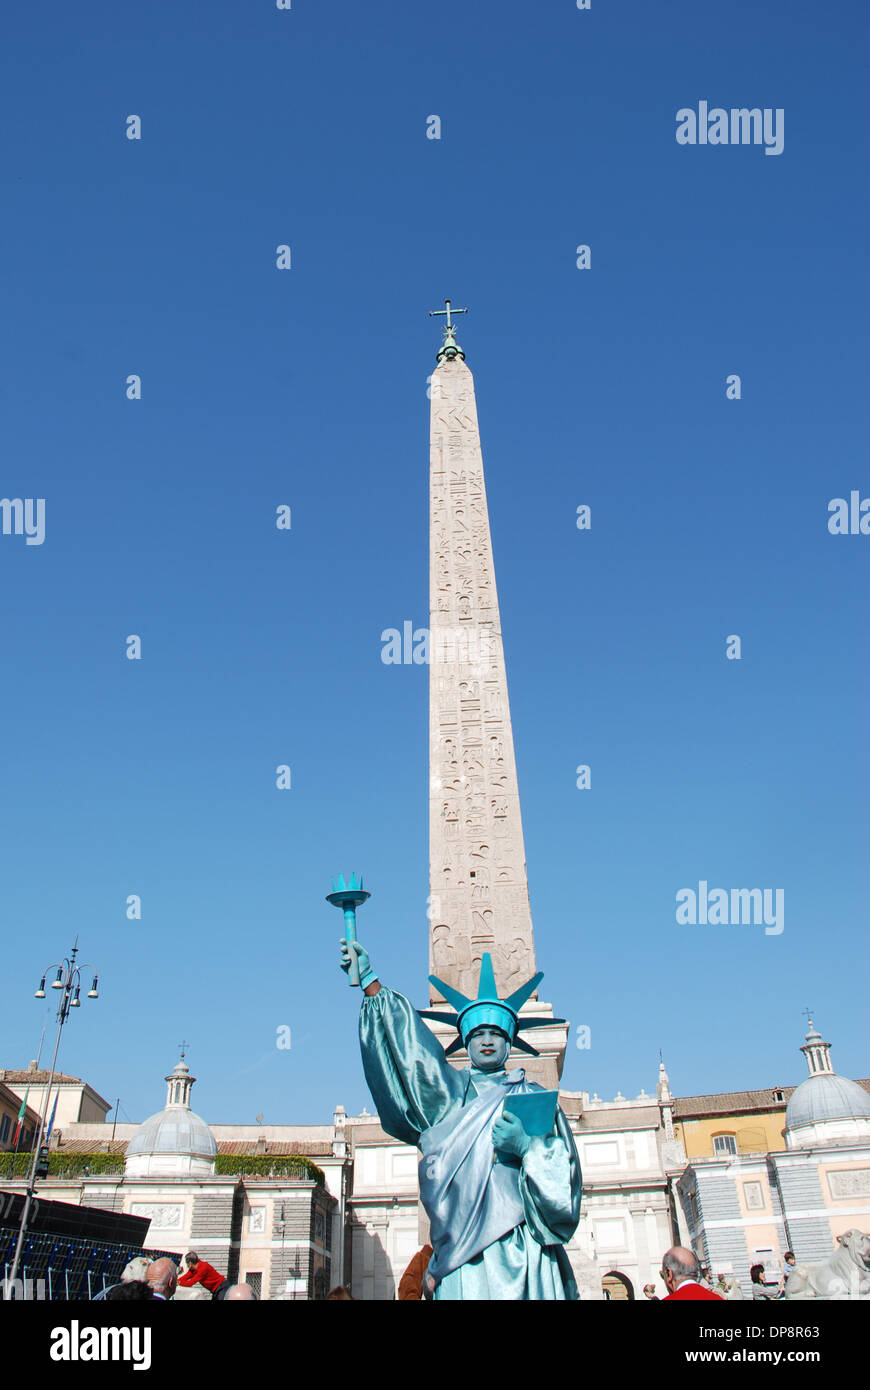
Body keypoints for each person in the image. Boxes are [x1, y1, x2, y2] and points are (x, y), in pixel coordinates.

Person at [341, 939, 581, 1300]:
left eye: (496, 1034)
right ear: (465, 1042)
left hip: (525, 1243)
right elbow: (412, 1056)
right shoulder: (449, 1095)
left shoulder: (533, 1096)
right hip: (464, 1259)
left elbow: (568, 1179)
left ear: (509, 1041)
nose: (487, 1041)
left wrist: (528, 1148)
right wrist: (372, 982)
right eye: (478, 1034)